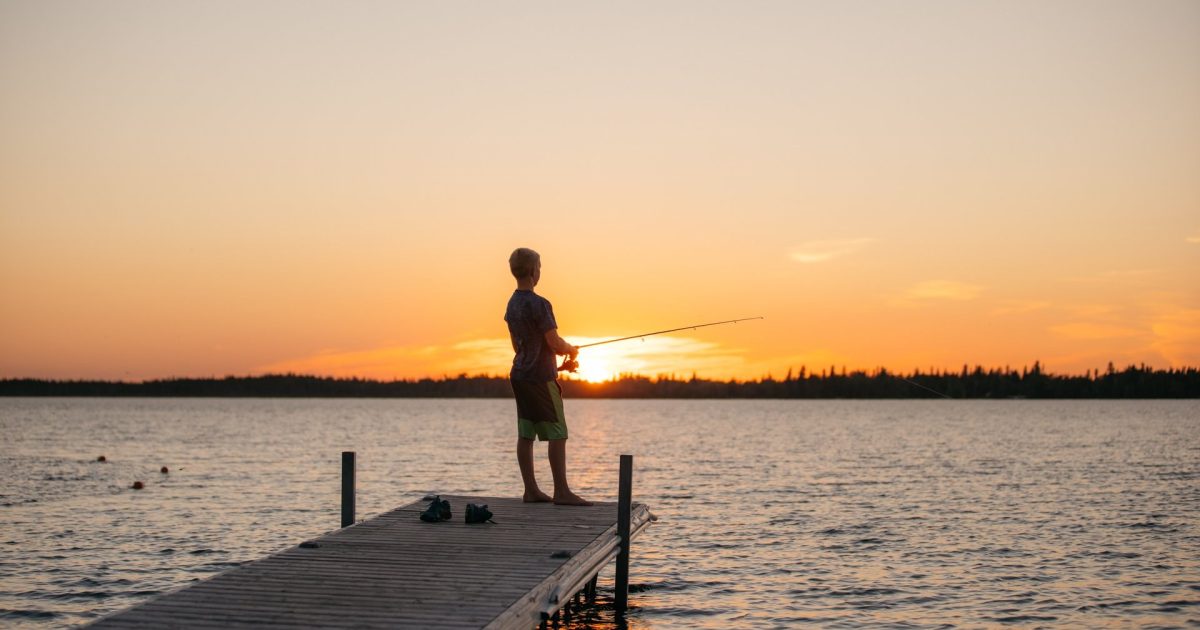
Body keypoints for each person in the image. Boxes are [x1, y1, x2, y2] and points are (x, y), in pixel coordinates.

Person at [504, 247, 592, 506]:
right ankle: (561, 492)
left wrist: (557, 366)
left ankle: (530, 491)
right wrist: (570, 349)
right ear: (533, 272)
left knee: (526, 433)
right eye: (540, 267)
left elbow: (518, 346)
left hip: (519, 375)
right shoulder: (540, 304)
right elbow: (553, 342)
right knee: (557, 433)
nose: (540, 271)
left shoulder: (512, 304)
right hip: (541, 379)